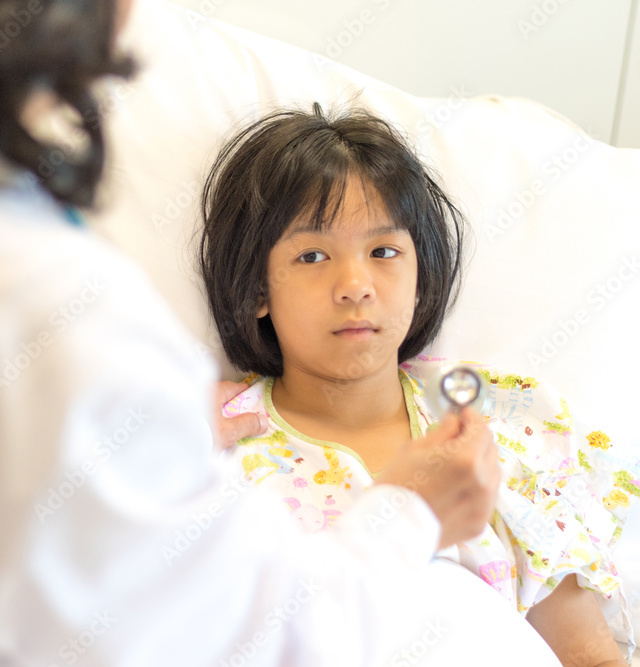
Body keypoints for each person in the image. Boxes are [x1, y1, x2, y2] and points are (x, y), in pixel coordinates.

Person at [0, 1, 566, 665]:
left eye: (385, 251)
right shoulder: (49, 317)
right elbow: (273, 643)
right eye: (313, 255)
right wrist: (410, 511)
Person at [200, 105, 638, 666]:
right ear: (257, 289)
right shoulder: (213, 448)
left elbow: (590, 658)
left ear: (420, 278)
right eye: (312, 255)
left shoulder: (495, 425)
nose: (355, 285)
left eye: (384, 252)